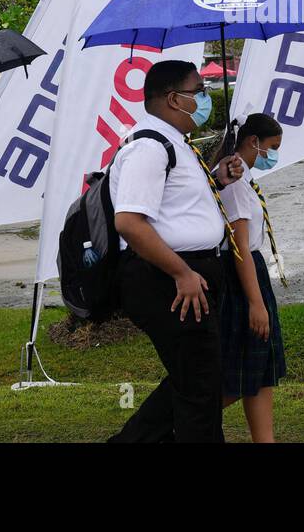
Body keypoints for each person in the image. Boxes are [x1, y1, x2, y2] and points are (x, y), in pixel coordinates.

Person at [107, 60, 245, 443]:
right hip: (168, 280)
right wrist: (182, 273)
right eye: (198, 91)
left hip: (189, 277)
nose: (204, 99)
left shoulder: (175, 143)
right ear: (173, 99)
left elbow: (177, 209)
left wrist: (218, 178)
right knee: (200, 389)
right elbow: (130, 223)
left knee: (195, 381)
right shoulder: (150, 147)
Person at [217, 113, 287, 443]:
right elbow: (239, 246)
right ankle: (181, 419)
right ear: (252, 142)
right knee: (240, 371)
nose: (273, 154)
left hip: (253, 269)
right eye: (271, 147)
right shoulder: (234, 185)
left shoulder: (244, 181)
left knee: (260, 372)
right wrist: (255, 302)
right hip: (243, 275)